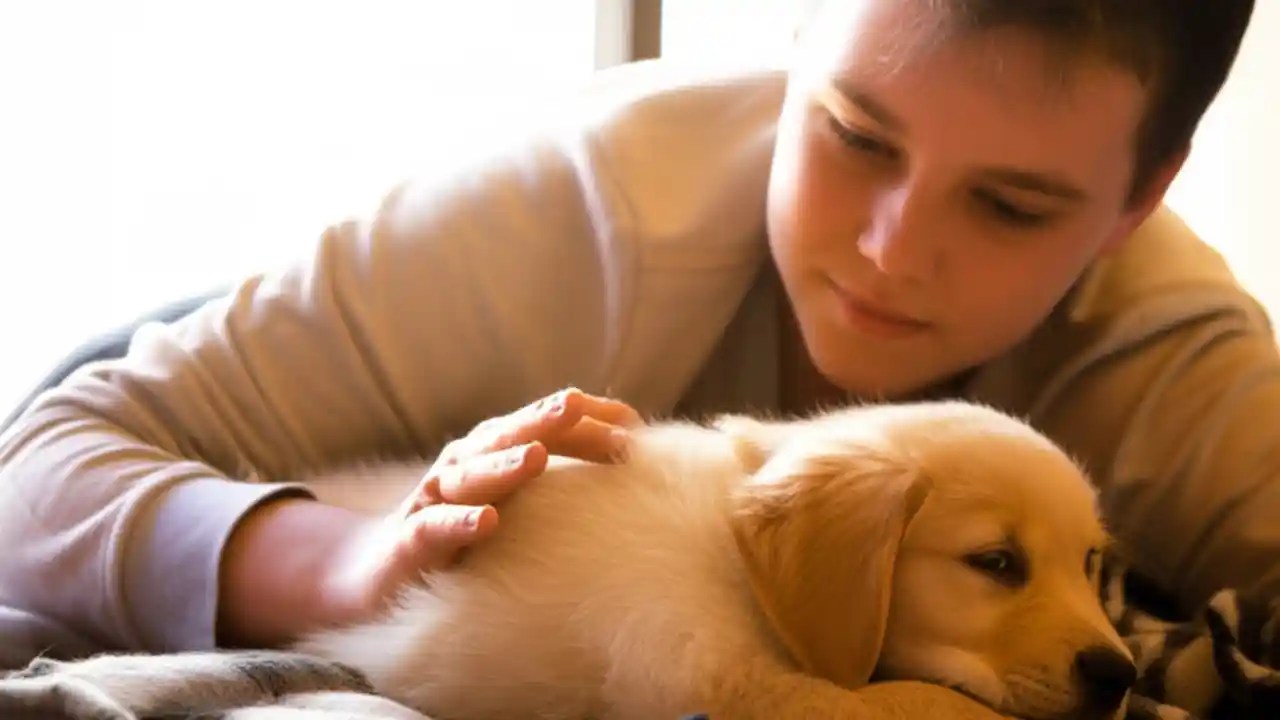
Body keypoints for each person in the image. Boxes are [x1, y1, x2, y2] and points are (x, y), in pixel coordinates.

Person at [0, 0, 1268, 673]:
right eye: (851, 134)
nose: (888, 248)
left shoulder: (1173, 355)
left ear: (1136, 200)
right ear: (796, 46)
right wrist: (356, 564)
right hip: (276, 418)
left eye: (1007, 205)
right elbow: (38, 469)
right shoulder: (574, 212)